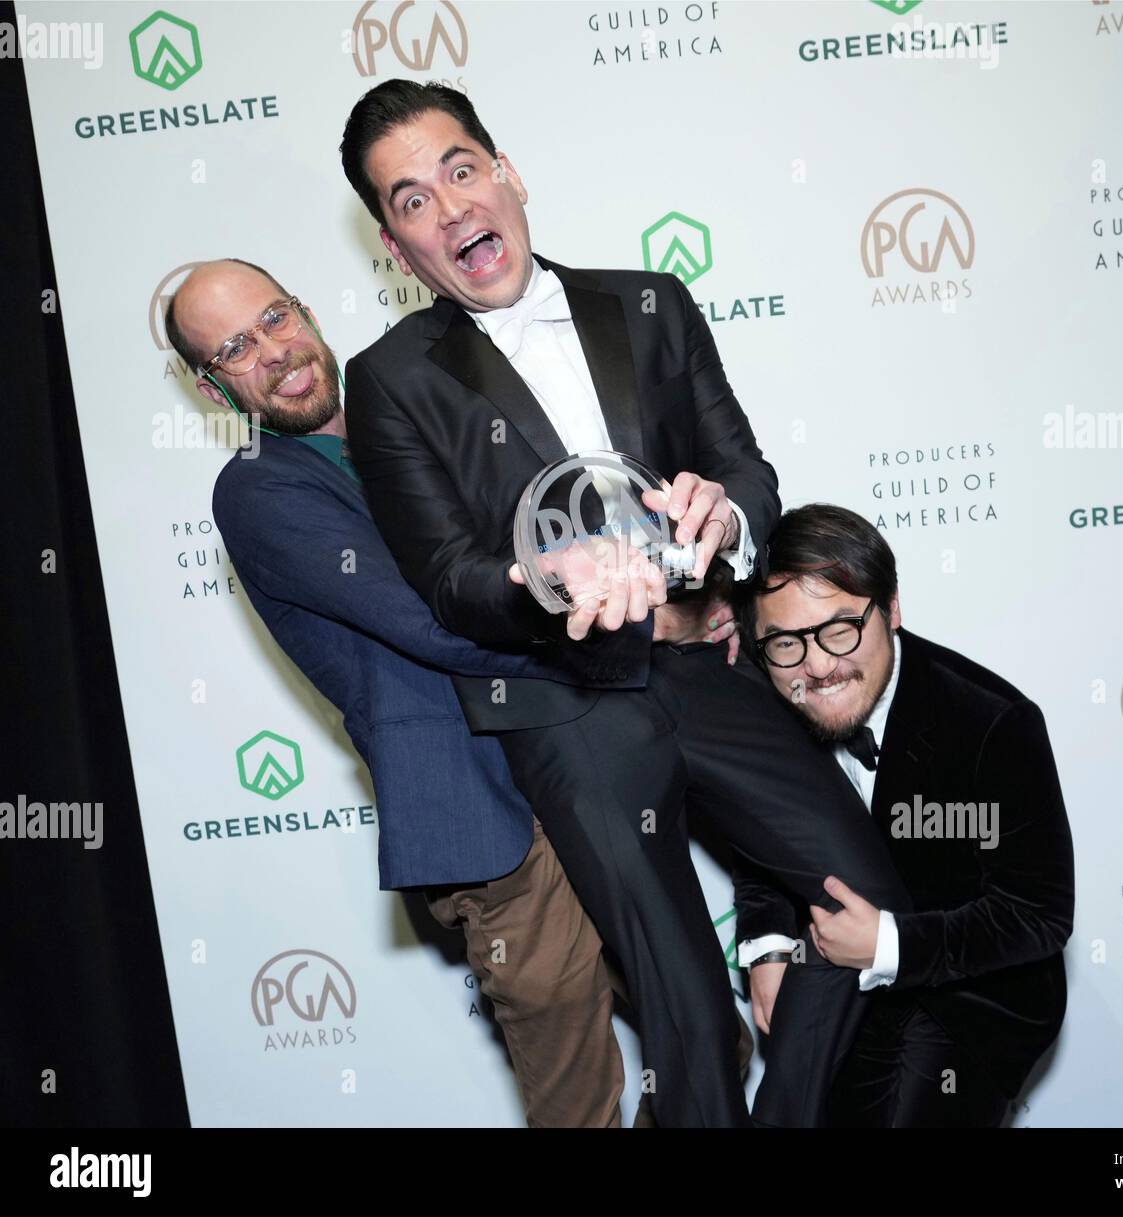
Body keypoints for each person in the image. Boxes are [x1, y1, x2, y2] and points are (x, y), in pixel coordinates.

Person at [337, 79, 912, 1127]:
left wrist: (724, 519)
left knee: (862, 896)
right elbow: (449, 578)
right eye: (412, 198)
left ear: (507, 174)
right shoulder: (389, 378)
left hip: (702, 662)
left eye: (462, 169)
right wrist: (547, 580)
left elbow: (749, 475)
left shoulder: (651, 302)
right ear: (393, 244)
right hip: (570, 709)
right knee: (687, 1012)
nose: (451, 206)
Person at [167, 258, 638, 1127]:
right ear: (209, 385)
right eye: (234, 347)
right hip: (494, 821)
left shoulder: (415, 417)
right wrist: (629, 646)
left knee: (704, 1039)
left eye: (274, 317)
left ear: (304, 308)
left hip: (588, 765)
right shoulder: (258, 489)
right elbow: (436, 626)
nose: (272, 350)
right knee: (579, 1096)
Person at [735, 503, 1076, 1127]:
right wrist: (765, 947)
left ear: (891, 610)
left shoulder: (993, 723)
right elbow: (762, 836)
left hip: (971, 996)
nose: (817, 666)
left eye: (840, 629)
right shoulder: (773, 704)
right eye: (786, 642)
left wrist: (886, 944)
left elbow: (1038, 916)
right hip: (844, 988)